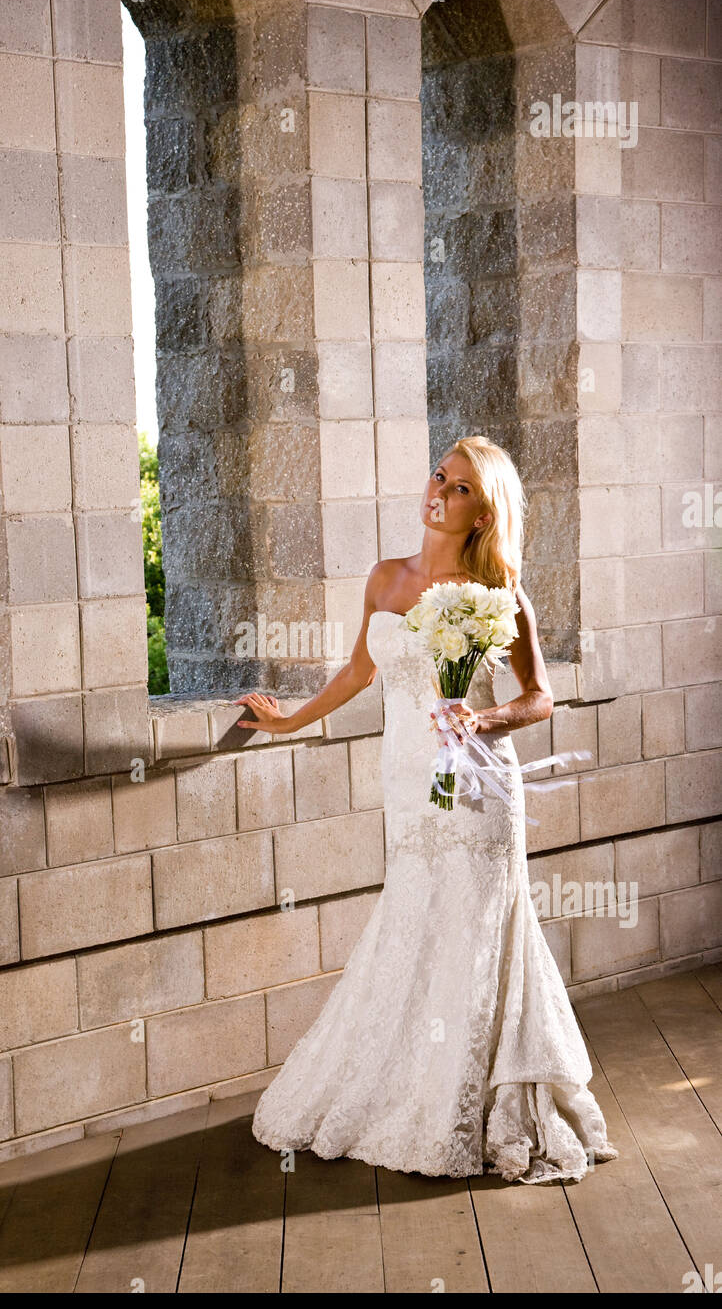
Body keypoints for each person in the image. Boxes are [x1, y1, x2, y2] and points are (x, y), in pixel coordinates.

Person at [233, 436, 618, 1183]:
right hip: (409, 782)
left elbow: (539, 698)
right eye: (440, 475)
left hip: (475, 789)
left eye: (462, 487)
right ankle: (401, 1082)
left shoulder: (501, 591)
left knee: (474, 932)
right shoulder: (385, 578)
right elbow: (357, 671)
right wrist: (287, 720)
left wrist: (482, 722)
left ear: (483, 513)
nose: (439, 490)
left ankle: (468, 1100)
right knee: (417, 919)